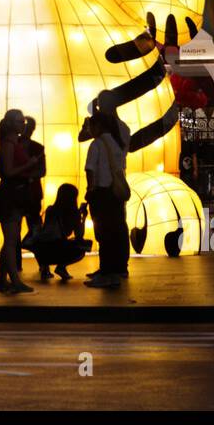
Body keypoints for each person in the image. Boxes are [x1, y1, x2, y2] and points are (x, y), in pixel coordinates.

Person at [79, 90, 131, 284]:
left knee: (104, 231)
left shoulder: (98, 142)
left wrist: (89, 188)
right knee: (118, 228)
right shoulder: (121, 132)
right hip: (117, 186)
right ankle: (119, 267)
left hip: (101, 190)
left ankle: (108, 269)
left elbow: (90, 169)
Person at [0, 109, 37, 294]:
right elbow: (9, 171)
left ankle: (3, 280)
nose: (23, 125)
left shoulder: (10, 143)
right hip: (10, 196)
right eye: (20, 121)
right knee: (11, 241)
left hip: (14, 195)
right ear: (11, 124)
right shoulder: (9, 144)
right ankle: (15, 280)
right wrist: (30, 164)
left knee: (10, 240)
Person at [28, 183, 91, 280]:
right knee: (84, 245)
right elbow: (79, 235)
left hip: (42, 249)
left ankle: (44, 267)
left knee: (42, 243)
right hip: (60, 248)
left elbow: (46, 231)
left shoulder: (50, 210)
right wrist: (83, 218)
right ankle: (61, 267)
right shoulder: (74, 214)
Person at [21, 115, 49, 279]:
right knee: (33, 229)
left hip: (30, 193)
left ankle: (43, 264)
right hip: (27, 192)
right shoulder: (34, 148)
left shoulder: (37, 148)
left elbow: (42, 170)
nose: (28, 131)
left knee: (35, 229)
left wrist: (23, 175)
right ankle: (41, 265)